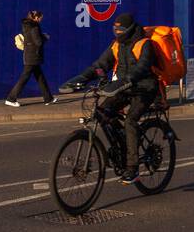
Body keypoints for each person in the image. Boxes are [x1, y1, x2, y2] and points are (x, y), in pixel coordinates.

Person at [66, 13, 159, 185]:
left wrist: (127, 80)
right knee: (102, 112)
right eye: (115, 29)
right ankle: (123, 143)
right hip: (124, 87)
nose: (117, 33)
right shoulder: (116, 45)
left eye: (121, 30)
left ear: (130, 30)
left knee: (131, 120)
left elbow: (143, 67)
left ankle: (132, 168)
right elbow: (101, 65)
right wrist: (81, 78)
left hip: (145, 88)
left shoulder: (144, 44)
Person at [5, 9, 57, 107]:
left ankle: (48, 98)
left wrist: (41, 36)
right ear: (36, 17)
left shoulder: (27, 25)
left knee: (40, 78)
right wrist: (45, 37)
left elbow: (32, 38)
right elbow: (38, 42)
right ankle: (11, 99)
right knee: (24, 78)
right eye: (40, 18)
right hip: (33, 56)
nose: (41, 20)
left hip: (30, 54)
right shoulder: (34, 26)